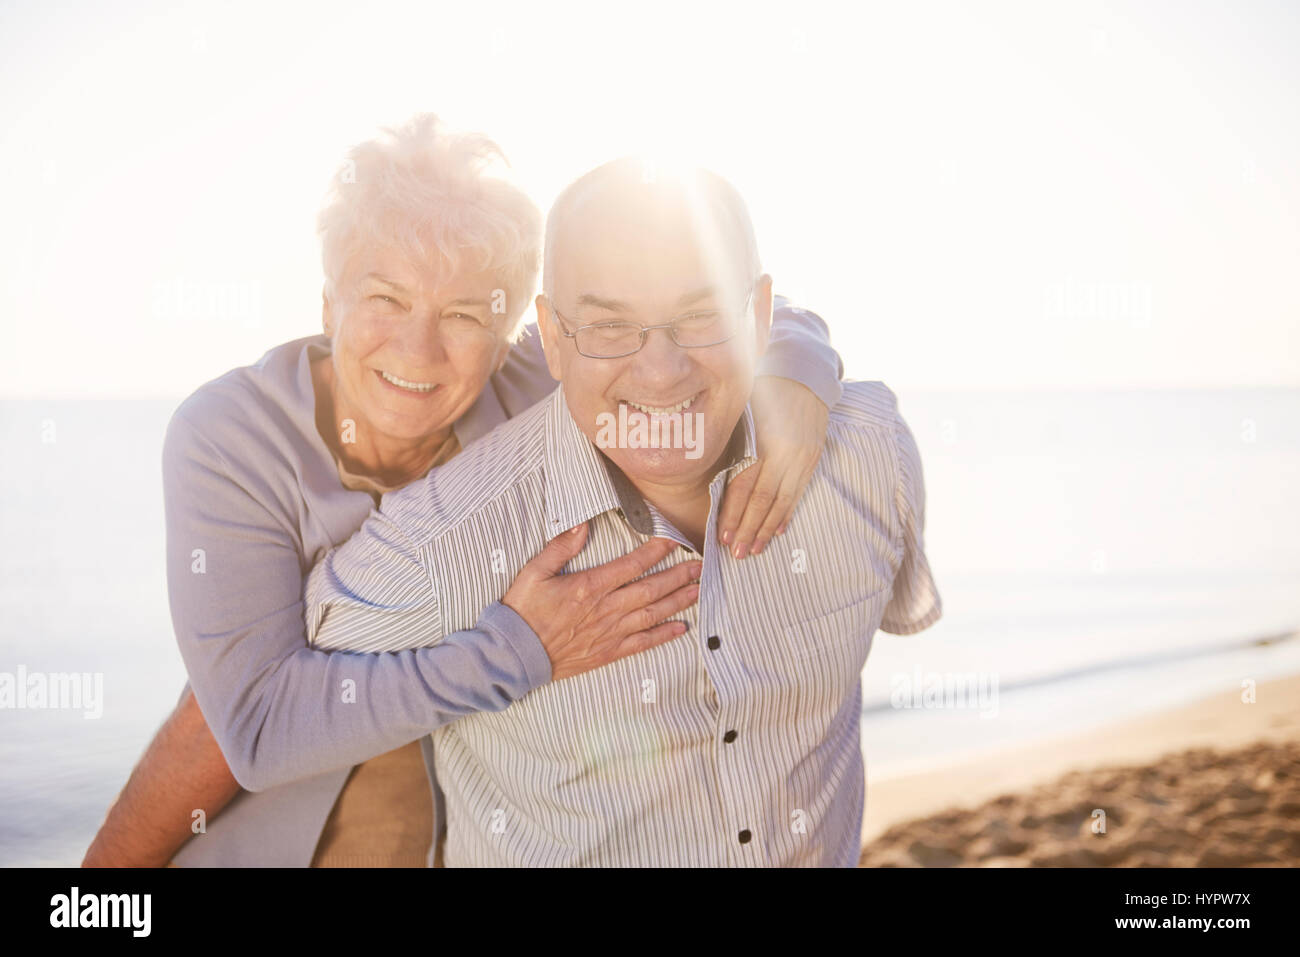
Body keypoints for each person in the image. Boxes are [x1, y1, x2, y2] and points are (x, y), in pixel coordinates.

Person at [82, 117, 846, 867]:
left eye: (460, 313)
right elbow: (254, 729)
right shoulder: (231, 436)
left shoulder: (535, 388)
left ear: (521, 327)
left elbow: (717, 321)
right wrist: (521, 649)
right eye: (385, 298)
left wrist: (796, 379)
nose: (418, 349)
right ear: (328, 305)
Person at [304, 157, 941, 866]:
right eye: (609, 327)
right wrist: (509, 650)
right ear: (550, 334)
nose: (662, 371)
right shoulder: (442, 543)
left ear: (760, 315)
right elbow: (287, 714)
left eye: (700, 317)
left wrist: (805, 358)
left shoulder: (869, 456)